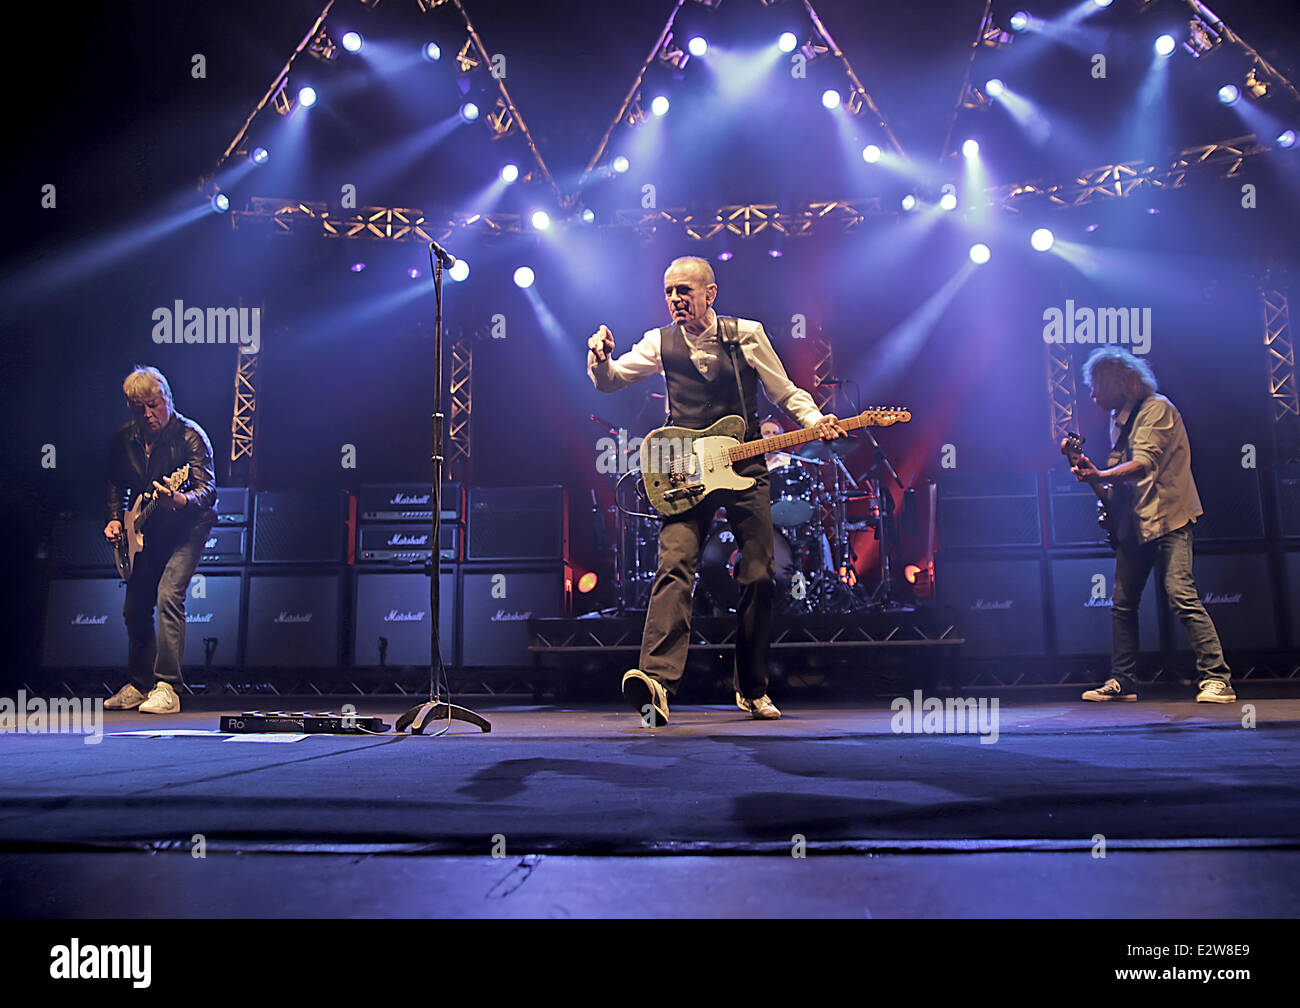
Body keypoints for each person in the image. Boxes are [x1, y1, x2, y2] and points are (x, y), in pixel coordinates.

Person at [587, 256, 845, 725]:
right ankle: (657, 684)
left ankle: (752, 687)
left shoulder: (746, 334)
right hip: (684, 470)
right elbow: (611, 382)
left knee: (759, 574)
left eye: (684, 290)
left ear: (711, 293)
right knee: (675, 565)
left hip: (744, 463)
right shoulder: (658, 341)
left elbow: (784, 390)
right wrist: (600, 358)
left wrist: (813, 420)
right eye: (668, 291)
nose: (674, 300)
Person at [1069, 347, 1234, 703]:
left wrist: (1101, 472)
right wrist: (1092, 476)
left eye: (1097, 385)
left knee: (1181, 595)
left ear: (1119, 381)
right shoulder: (1119, 420)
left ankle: (1218, 678)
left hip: (1170, 518)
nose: (1093, 394)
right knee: (1123, 604)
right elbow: (1115, 484)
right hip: (1136, 522)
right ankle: (1122, 680)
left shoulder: (1157, 409)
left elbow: (1145, 464)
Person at [103, 367, 217, 714]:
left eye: (154, 405)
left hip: (189, 528)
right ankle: (139, 684)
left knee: (169, 594)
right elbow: (114, 481)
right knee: (135, 606)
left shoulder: (190, 437)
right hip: (148, 529)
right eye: (140, 408)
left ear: (167, 398)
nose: (149, 415)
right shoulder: (125, 437)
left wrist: (181, 500)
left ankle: (168, 686)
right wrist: (113, 516)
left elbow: (208, 490)